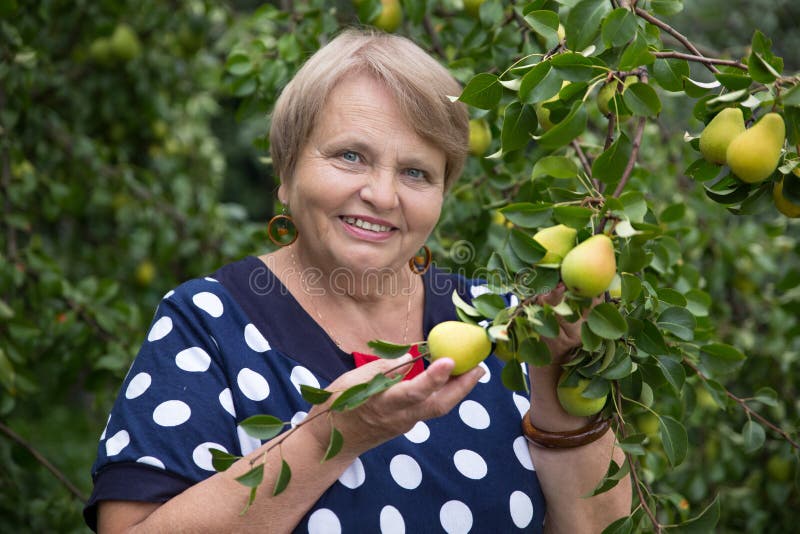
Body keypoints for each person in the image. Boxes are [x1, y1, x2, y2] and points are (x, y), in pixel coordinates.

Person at [85, 28, 631, 533]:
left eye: (416, 172)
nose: (383, 195)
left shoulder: (505, 325)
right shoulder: (209, 323)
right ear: (286, 171)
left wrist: (557, 387)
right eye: (351, 156)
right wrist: (332, 436)